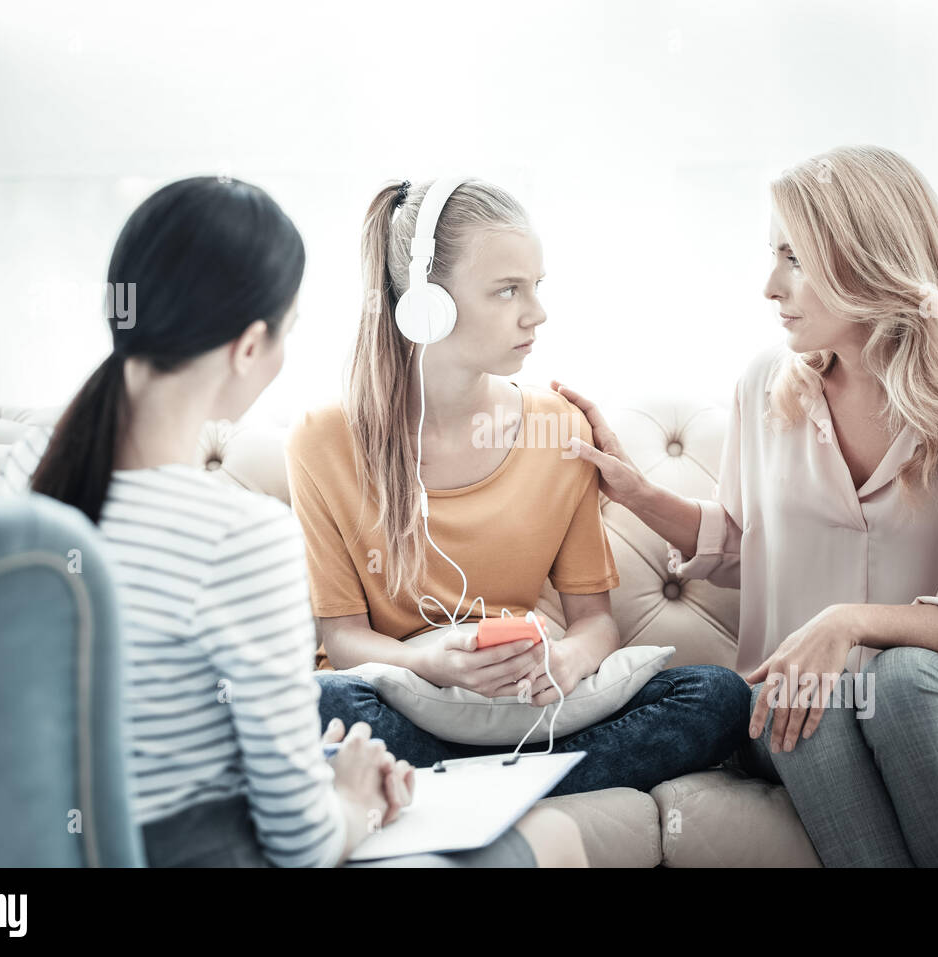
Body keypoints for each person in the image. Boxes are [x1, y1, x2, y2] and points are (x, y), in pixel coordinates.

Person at [0, 175, 584, 867]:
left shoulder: (30, 467)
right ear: (250, 347)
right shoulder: (243, 537)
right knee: (555, 839)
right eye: (288, 332)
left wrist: (319, 766)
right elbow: (302, 843)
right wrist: (354, 798)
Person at [557, 145, 938, 866]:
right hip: (804, 704)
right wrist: (638, 493)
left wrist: (851, 624)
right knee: (798, 696)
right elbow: (742, 546)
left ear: (870, 259)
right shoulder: (764, 387)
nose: (769, 285)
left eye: (793, 256)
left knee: (900, 678)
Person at [286, 177, 750, 796]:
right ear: (427, 305)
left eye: (536, 287)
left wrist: (567, 662)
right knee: (320, 701)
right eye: (507, 291)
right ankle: (523, 782)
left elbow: (595, 624)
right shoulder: (323, 440)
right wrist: (429, 661)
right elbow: (343, 639)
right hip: (401, 699)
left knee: (716, 697)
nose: (537, 313)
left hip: (531, 711)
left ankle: (464, 785)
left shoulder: (559, 426)